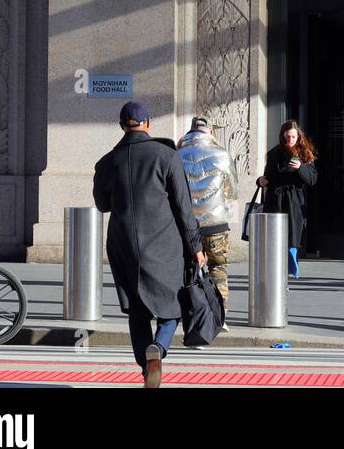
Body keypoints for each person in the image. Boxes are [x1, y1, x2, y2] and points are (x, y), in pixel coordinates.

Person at [92, 102, 205, 388]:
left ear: (121, 126)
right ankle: (159, 347)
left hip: (123, 244)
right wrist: (196, 246)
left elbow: (102, 204)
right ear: (148, 123)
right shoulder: (167, 156)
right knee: (174, 305)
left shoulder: (106, 162)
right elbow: (183, 206)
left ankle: (146, 367)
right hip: (164, 244)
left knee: (137, 311)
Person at [176, 116, 237, 324]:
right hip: (216, 223)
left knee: (188, 270)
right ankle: (221, 316)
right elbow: (233, 191)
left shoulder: (177, 155)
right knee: (218, 268)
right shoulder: (222, 154)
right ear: (210, 132)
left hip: (186, 225)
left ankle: (193, 318)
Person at [258, 120, 318, 278]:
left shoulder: (305, 154)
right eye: (287, 137)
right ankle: (277, 273)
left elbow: (312, 179)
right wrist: (261, 181)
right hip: (275, 198)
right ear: (282, 137)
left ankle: (290, 266)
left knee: (292, 235)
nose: (290, 140)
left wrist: (300, 168)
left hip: (294, 200)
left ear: (298, 137)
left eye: (292, 137)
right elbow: (268, 176)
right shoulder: (274, 153)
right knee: (274, 236)